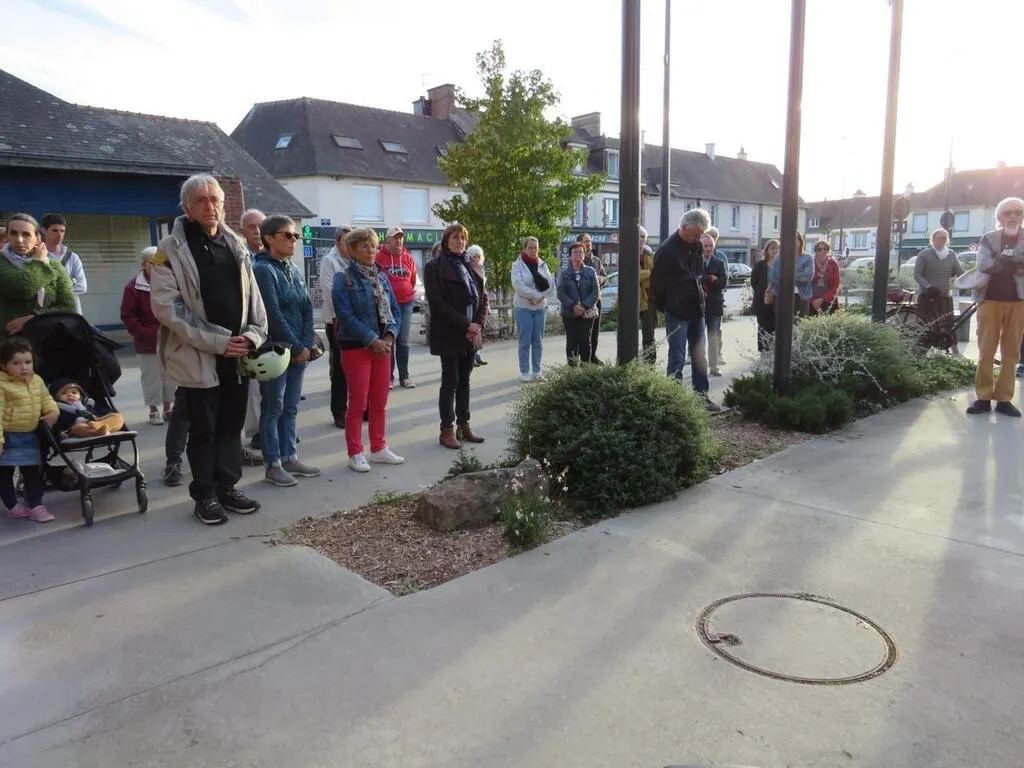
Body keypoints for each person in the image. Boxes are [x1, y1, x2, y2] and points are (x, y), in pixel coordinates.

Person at [149, 174, 267, 526]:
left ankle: (227, 486)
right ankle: (205, 494)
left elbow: (254, 298)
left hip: (238, 356)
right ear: (186, 207)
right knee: (203, 431)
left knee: (232, 425)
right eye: (201, 200)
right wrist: (219, 341)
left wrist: (255, 335)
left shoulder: (235, 243)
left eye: (214, 199)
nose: (210, 206)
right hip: (198, 357)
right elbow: (167, 309)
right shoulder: (167, 250)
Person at [253, 215, 320, 487]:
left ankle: (290, 455)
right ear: (268, 238)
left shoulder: (292, 269)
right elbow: (272, 313)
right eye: (287, 235)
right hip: (275, 351)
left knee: (290, 406)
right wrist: (295, 346)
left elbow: (305, 307)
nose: (293, 240)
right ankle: (273, 463)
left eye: (296, 236)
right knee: (273, 407)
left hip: (298, 349)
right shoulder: (262, 270)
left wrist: (305, 343)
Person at [333, 228, 404, 472]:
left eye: (373, 246)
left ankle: (378, 448)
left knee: (379, 401)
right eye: (364, 246)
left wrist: (389, 337)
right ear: (352, 250)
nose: (371, 250)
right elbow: (345, 315)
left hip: (383, 348)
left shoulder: (382, 277)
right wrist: (372, 339)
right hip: (357, 348)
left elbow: (394, 310)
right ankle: (355, 452)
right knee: (358, 403)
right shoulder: (343, 279)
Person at [424, 222, 488, 449]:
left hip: (470, 334)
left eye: (462, 238)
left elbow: (483, 297)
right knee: (450, 381)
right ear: (446, 241)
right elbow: (438, 304)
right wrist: (466, 325)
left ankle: (464, 425)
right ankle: (446, 430)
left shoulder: (471, 264)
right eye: (455, 238)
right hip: (450, 332)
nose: (460, 241)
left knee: (465, 381)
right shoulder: (434, 268)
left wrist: (477, 325)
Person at [650, 208, 722, 413]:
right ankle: (672, 402)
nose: (698, 238)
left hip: (696, 309)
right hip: (677, 311)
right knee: (677, 357)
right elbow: (657, 285)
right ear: (683, 227)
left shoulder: (697, 245)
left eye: (700, 235)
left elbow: (698, 273)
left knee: (699, 356)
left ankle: (701, 397)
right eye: (696, 234)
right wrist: (667, 307)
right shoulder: (667, 251)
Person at [966, 197, 1024, 417]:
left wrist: (1004, 263)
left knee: (1011, 353)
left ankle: (1004, 399)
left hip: (1018, 302)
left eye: (1017, 212)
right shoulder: (989, 238)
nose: (1012, 216)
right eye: (1007, 212)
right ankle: (982, 398)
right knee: (985, 352)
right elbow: (983, 264)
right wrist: (1011, 264)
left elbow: (994, 264)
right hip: (990, 300)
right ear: (999, 217)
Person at [0, 337, 59, 523]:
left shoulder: (37, 380)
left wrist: (52, 411)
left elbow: (46, 398)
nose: (24, 367)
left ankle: (36, 505)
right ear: (3, 365)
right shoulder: (2, 385)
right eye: (16, 363)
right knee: (4, 474)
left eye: (28, 362)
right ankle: (12, 506)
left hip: (29, 435)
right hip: (7, 437)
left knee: (32, 472)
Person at [0, 214, 77, 342]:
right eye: (13, 233)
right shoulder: (2, 262)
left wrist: (34, 317)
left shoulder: (55, 266)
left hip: (48, 343)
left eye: (26, 234)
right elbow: (24, 288)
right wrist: (39, 262)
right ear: (7, 236)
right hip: (10, 347)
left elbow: (68, 307)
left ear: (37, 238)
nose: (19, 239)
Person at [121, 246, 175, 425]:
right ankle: (153, 410)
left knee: (170, 376)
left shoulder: (169, 283)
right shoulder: (133, 287)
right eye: (152, 263)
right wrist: (145, 333)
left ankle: (168, 408)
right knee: (151, 377)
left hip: (169, 338)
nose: (157, 266)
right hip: (147, 340)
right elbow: (128, 316)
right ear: (144, 265)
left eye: (161, 262)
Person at [238, 209, 267, 464]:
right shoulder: (242, 255)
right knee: (253, 388)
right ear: (243, 231)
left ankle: (270, 429)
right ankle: (256, 431)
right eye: (251, 226)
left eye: (260, 225)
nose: (257, 230)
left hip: (273, 331)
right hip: (250, 331)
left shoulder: (274, 255)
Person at [375, 226, 418, 389]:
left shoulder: (408, 258)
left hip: (405, 303)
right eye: (395, 237)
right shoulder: (379, 257)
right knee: (388, 341)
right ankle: (388, 378)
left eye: (401, 237)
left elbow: (412, 280)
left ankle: (404, 376)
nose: (398, 240)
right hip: (386, 305)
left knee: (403, 341)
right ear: (387, 240)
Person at [914, 228, 964, 355]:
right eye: (938, 237)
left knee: (950, 324)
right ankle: (922, 352)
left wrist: (972, 279)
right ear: (932, 239)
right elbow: (917, 274)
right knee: (925, 324)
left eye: (944, 238)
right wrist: (928, 287)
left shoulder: (951, 254)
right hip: (927, 296)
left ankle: (956, 352)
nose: (941, 240)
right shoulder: (924, 254)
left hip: (945, 296)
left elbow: (960, 272)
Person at [512, 236, 555, 382]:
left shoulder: (542, 265)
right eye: (530, 247)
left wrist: (539, 297)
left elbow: (550, 285)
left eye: (535, 247)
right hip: (523, 306)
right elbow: (518, 285)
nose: (533, 250)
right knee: (525, 341)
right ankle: (524, 372)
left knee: (538, 341)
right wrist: (532, 295)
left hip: (540, 307)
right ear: (524, 249)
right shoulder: (517, 265)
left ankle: (537, 371)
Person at [321, 226, 352, 427]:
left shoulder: (355, 260)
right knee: (340, 369)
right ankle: (340, 412)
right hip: (337, 320)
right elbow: (330, 291)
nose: (350, 246)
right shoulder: (329, 261)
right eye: (346, 242)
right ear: (337, 243)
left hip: (355, 321)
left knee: (355, 369)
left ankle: (358, 409)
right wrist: (345, 315)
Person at [556, 241, 599, 364]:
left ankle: (586, 371)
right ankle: (573, 373)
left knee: (586, 342)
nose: (578, 254)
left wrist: (584, 306)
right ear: (570, 256)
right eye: (575, 252)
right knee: (572, 342)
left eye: (581, 252)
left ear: (584, 255)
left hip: (587, 313)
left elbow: (595, 292)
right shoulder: (564, 274)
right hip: (570, 313)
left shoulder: (591, 272)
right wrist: (574, 306)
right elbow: (561, 293)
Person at [40, 214, 87, 315]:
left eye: (62, 231)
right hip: (45, 312)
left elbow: (82, 286)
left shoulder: (72, 257)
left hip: (72, 314)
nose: (59, 235)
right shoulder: (37, 255)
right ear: (43, 230)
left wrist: (55, 293)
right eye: (55, 230)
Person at [50, 379, 125, 437]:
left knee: (117, 416)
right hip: (76, 424)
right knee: (78, 428)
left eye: (74, 392)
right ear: (57, 398)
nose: (70, 395)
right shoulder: (59, 407)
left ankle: (100, 426)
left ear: (81, 396)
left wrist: (99, 418)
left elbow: (97, 412)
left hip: (95, 421)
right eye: (64, 393)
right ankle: (97, 432)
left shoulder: (88, 403)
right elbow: (61, 422)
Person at [699, 233, 728, 376]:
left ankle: (714, 366)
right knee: (698, 337)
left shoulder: (719, 263)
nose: (709, 248)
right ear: (700, 246)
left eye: (711, 245)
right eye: (706, 245)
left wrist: (705, 280)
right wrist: (710, 277)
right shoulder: (695, 262)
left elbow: (723, 282)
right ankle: (699, 365)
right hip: (697, 305)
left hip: (715, 305)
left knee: (713, 336)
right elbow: (693, 279)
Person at [576, 233, 607, 362]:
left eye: (590, 241)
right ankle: (579, 359)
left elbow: (605, 277)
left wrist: (601, 279)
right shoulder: (576, 259)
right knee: (581, 333)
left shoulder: (596, 261)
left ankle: (592, 356)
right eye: (586, 241)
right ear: (579, 243)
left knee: (594, 332)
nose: (589, 243)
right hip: (581, 302)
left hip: (596, 301)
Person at [768, 232, 814, 317]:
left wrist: (785, 275)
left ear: (800, 241)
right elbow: (775, 278)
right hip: (782, 297)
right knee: (782, 328)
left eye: (796, 238)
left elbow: (808, 276)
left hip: (801, 296)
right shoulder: (778, 258)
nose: (793, 240)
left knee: (800, 327)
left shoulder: (807, 258)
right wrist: (799, 273)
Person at [751, 240, 778, 352]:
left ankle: (774, 352)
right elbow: (754, 282)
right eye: (772, 248)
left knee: (775, 326)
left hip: (777, 300)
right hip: (762, 300)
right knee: (763, 327)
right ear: (767, 250)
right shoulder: (759, 265)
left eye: (777, 248)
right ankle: (763, 352)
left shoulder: (782, 265)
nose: (775, 250)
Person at [468, 245, 490, 367]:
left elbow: (484, 291)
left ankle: (477, 355)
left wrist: (488, 307)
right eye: (474, 256)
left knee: (479, 330)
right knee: (474, 330)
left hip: (482, 303)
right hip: (473, 304)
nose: (476, 258)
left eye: (478, 256)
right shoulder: (469, 269)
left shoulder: (481, 269)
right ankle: (472, 358)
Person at [808, 240, 841, 316]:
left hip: (828, 300)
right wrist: (812, 300)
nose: (822, 251)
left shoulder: (833, 264)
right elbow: (805, 284)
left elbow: (836, 285)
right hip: (811, 301)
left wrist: (823, 299)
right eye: (819, 249)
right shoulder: (810, 263)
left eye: (825, 249)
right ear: (816, 251)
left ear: (828, 250)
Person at [639, 226, 657, 364]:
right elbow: (630, 275)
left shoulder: (651, 254)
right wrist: (648, 273)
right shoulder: (626, 253)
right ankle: (629, 364)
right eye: (638, 236)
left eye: (643, 237)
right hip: (632, 299)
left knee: (649, 335)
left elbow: (657, 275)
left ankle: (649, 365)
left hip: (648, 298)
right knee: (629, 335)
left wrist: (648, 275)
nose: (640, 240)